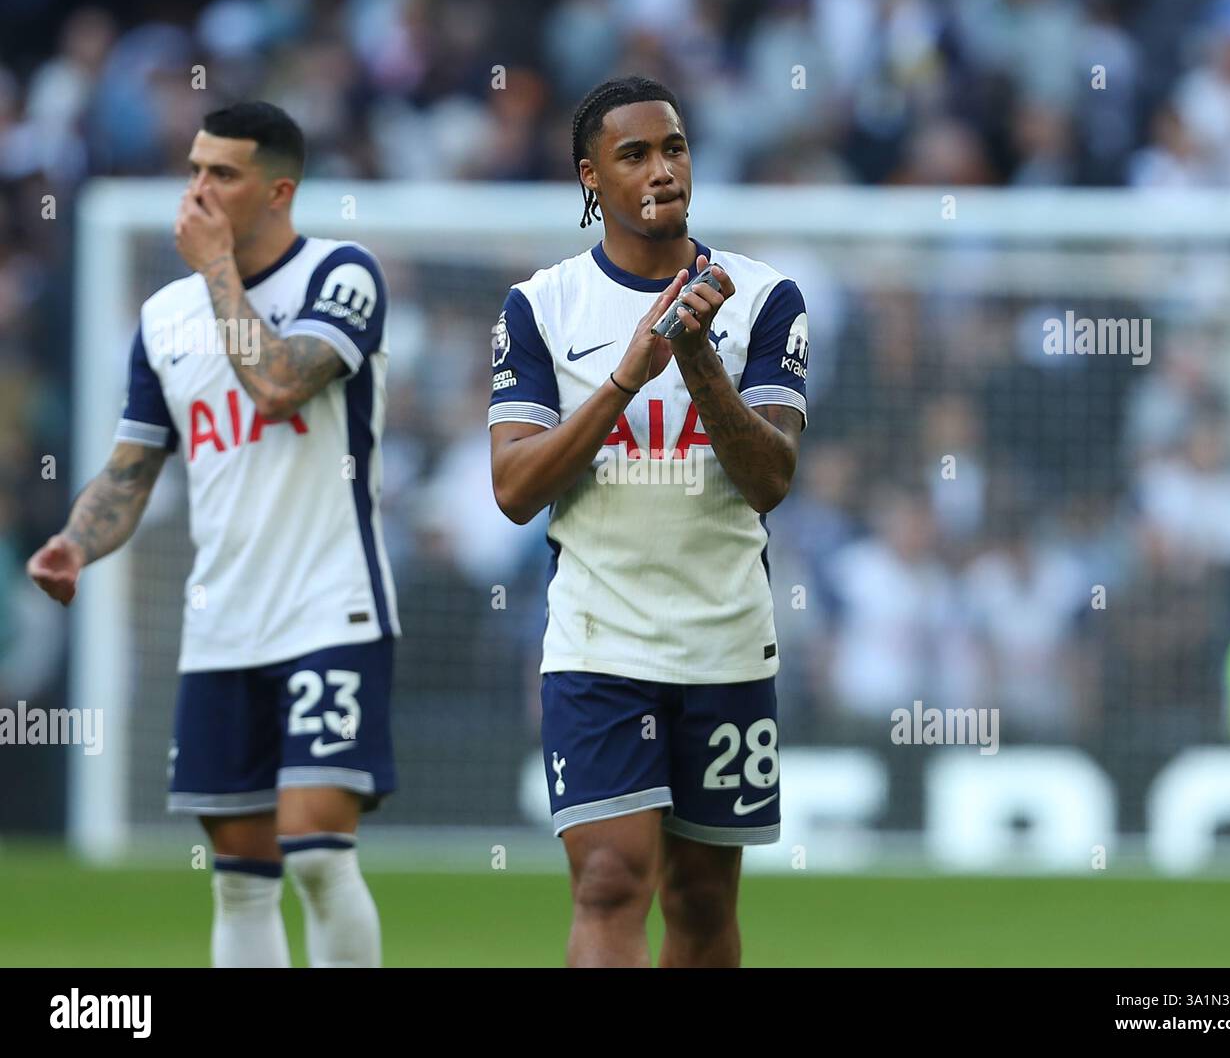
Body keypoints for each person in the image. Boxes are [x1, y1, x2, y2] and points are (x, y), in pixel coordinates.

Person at [27, 101, 400, 967]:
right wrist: (77, 541)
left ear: (279, 191)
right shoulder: (165, 318)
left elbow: (277, 384)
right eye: (194, 169)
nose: (197, 189)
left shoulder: (342, 275)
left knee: (316, 849)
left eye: (222, 174)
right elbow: (132, 468)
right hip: (223, 622)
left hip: (330, 604)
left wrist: (218, 271)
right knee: (239, 876)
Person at [489, 75, 809, 967]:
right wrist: (628, 375)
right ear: (591, 177)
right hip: (599, 643)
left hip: (726, 642)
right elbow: (514, 488)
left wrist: (698, 359)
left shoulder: (763, 297)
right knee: (608, 881)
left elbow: (770, 479)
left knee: (701, 900)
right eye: (634, 154)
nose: (662, 169)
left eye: (674, 148)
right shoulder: (541, 305)